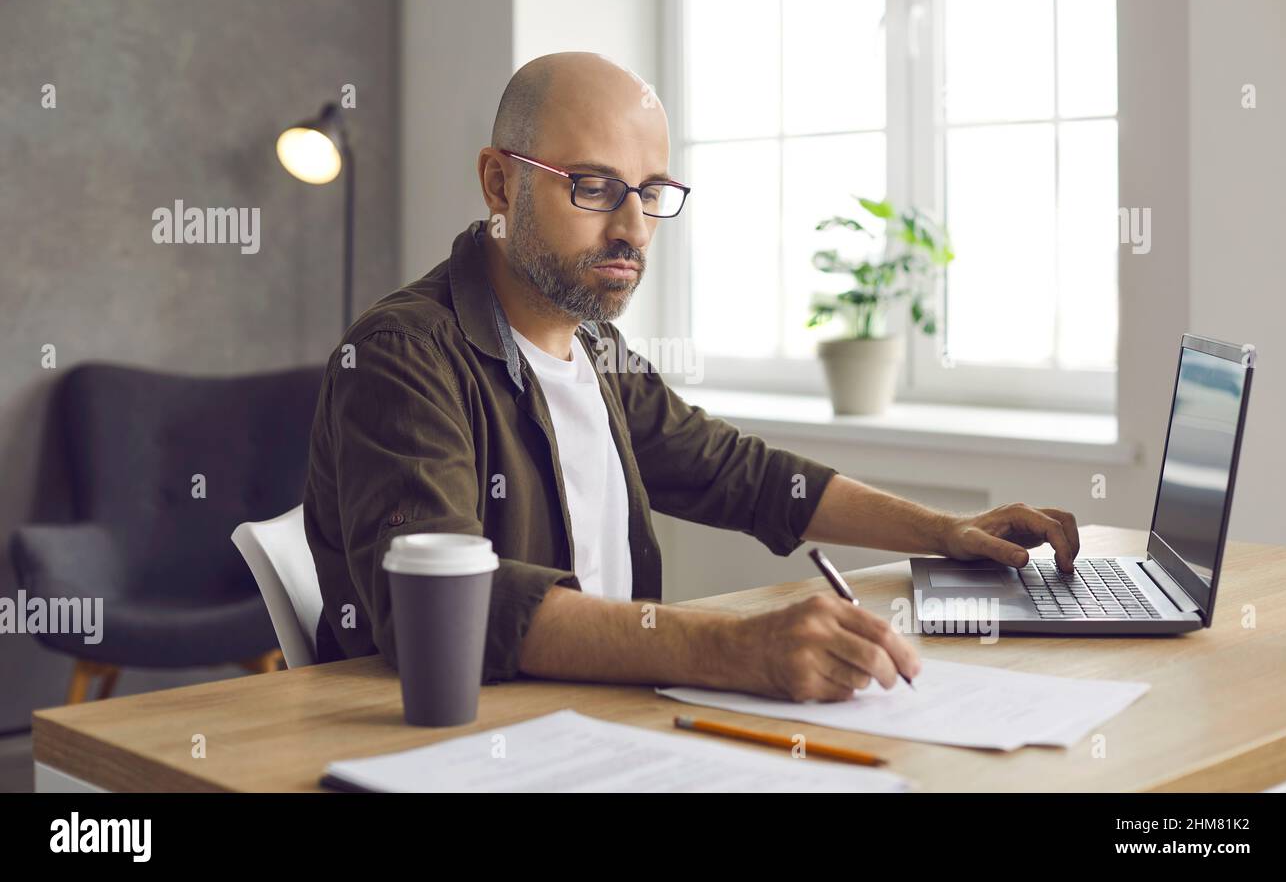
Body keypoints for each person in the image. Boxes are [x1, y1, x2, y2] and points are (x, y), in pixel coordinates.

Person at [303, 52, 1080, 702]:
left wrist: (942, 532)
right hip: (460, 753)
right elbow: (442, 609)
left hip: (598, 726)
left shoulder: (592, 346)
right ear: (500, 184)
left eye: (650, 192)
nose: (634, 228)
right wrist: (734, 648)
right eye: (594, 187)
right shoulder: (402, 355)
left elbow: (740, 475)